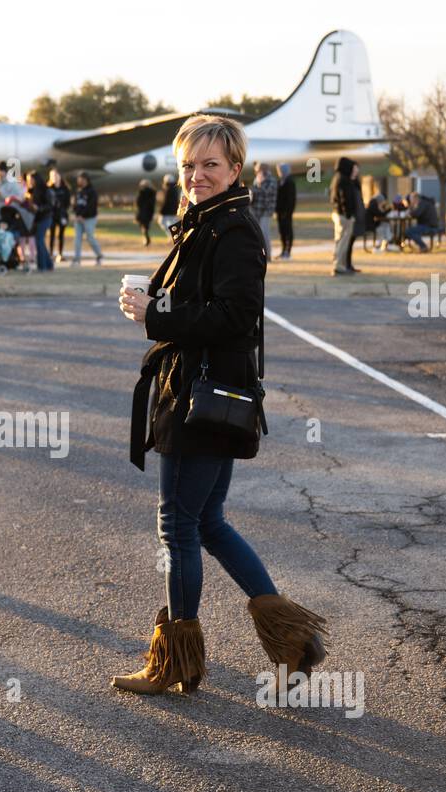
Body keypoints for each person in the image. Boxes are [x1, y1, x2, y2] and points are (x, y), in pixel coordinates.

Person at [114, 114, 328, 696]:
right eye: (188, 165)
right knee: (206, 522)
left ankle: (176, 661)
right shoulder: (206, 221)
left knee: (178, 527)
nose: (197, 175)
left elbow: (235, 317)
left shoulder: (231, 228)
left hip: (201, 400)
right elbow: (210, 304)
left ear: (236, 168)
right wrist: (158, 303)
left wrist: (155, 316)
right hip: (205, 392)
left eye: (210, 165)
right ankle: (290, 638)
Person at [329, 157, 360, 275]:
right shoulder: (344, 180)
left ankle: (338, 264)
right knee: (343, 241)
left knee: (339, 240)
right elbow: (345, 199)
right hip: (344, 216)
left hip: (338, 213)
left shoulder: (337, 178)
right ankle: (339, 265)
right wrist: (349, 214)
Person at [71, 171, 103, 266]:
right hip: (78, 219)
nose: (79, 181)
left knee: (90, 238)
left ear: (85, 180)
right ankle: (77, 259)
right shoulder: (78, 191)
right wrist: (77, 215)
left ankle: (99, 255)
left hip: (89, 218)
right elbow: (75, 205)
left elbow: (91, 206)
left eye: (80, 179)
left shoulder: (92, 191)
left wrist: (83, 215)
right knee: (77, 239)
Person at [27, 168, 54, 271]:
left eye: (31, 180)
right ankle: (48, 265)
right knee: (40, 241)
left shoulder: (45, 190)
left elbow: (49, 205)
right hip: (37, 219)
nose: (29, 182)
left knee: (39, 240)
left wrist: (39, 208)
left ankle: (43, 265)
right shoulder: (32, 191)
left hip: (45, 218)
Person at [250, 162, 277, 259]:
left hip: (266, 211)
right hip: (256, 210)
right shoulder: (257, 179)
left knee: (265, 234)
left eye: (258, 170)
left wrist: (259, 183)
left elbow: (266, 192)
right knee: (257, 234)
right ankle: (259, 255)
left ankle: (268, 256)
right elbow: (254, 192)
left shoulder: (271, 180)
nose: (257, 172)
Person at [48, 168, 72, 262]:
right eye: (52, 176)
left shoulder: (65, 189)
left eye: (55, 175)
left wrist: (63, 210)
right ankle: (50, 254)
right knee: (52, 234)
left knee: (61, 235)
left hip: (62, 215)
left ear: (59, 176)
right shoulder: (49, 188)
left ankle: (60, 254)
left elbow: (68, 203)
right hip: (52, 215)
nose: (54, 177)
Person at [275, 163, 296, 259]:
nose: (279, 172)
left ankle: (288, 251)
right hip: (279, 212)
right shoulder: (280, 181)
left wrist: (288, 212)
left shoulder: (290, 181)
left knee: (288, 231)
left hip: (286, 212)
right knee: (282, 231)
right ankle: (283, 250)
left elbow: (291, 199)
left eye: (280, 170)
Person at [135, 178, 157, 245]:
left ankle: (146, 239)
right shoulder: (153, 192)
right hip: (149, 212)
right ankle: (146, 239)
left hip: (142, 212)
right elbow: (153, 203)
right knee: (146, 226)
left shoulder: (141, 192)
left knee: (143, 226)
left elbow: (138, 203)